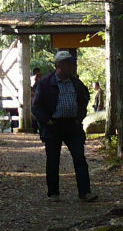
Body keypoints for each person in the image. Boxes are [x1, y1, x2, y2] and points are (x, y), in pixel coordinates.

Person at [31, 51, 97, 202]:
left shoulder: (76, 82)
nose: (72, 66)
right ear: (60, 65)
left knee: (79, 157)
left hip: (72, 125)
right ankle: (53, 193)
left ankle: (85, 192)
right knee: (53, 160)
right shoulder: (46, 83)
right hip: (53, 125)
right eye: (69, 63)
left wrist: (79, 117)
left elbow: (84, 99)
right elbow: (36, 107)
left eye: (72, 63)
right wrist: (47, 121)